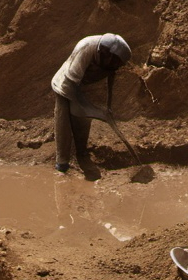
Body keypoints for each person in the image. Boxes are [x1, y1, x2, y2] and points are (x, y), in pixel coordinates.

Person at [52, 34, 132, 179]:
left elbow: (110, 80)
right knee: (64, 123)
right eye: (115, 62)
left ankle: (82, 153)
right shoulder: (86, 47)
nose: (116, 65)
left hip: (82, 84)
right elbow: (71, 85)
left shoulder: (111, 59)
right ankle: (62, 163)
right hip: (66, 83)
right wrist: (94, 111)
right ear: (107, 54)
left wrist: (107, 108)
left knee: (83, 121)